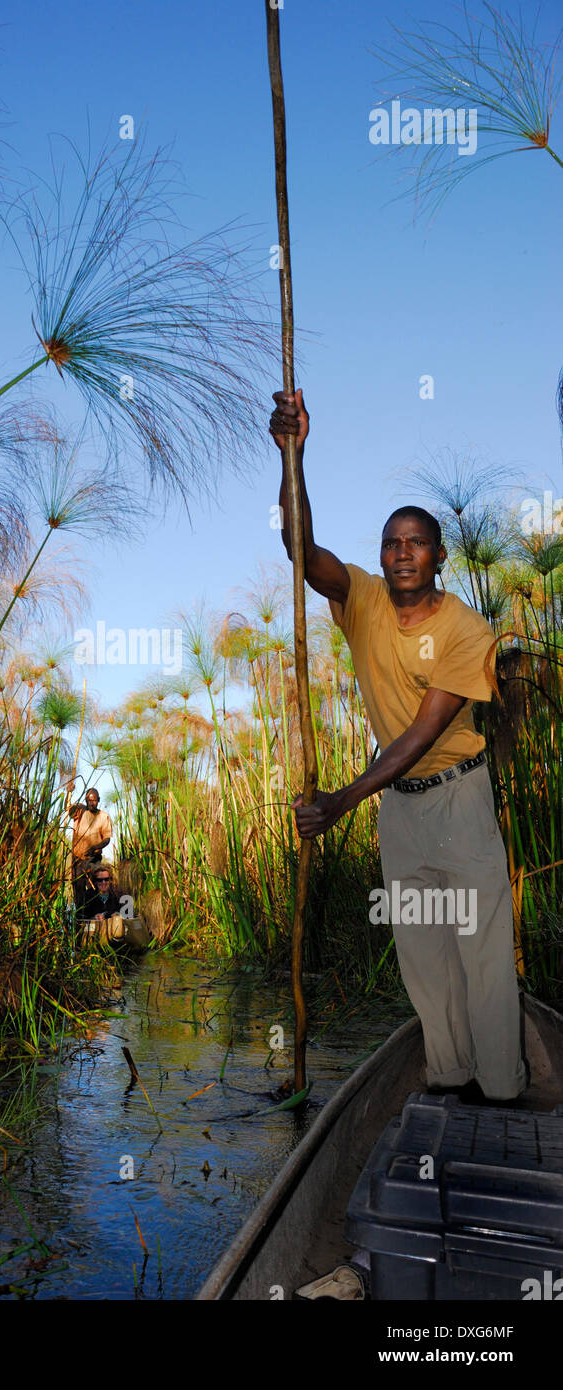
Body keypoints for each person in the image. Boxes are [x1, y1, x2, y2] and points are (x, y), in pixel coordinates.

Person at [269, 388, 527, 1104]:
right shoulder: (362, 599)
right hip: (401, 810)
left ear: (439, 557)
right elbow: (300, 550)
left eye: (416, 543)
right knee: (422, 951)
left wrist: (343, 799)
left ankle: (502, 1092)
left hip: (458, 799)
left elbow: (420, 735)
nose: (402, 552)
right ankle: (449, 1076)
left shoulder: (466, 630)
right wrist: (293, 456)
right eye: (391, 543)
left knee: (481, 952)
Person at [66, 785, 113, 914]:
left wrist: (95, 848)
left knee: (95, 888)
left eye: (94, 800)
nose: (92, 803)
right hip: (78, 860)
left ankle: (96, 916)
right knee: (78, 891)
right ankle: (80, 918)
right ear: (86, 801)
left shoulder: (103, 816)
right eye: (89, 800)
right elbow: (68, 809)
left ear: (98, 800)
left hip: (94, 860)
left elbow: (107, 839)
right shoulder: (80, 811)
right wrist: (69, 793)